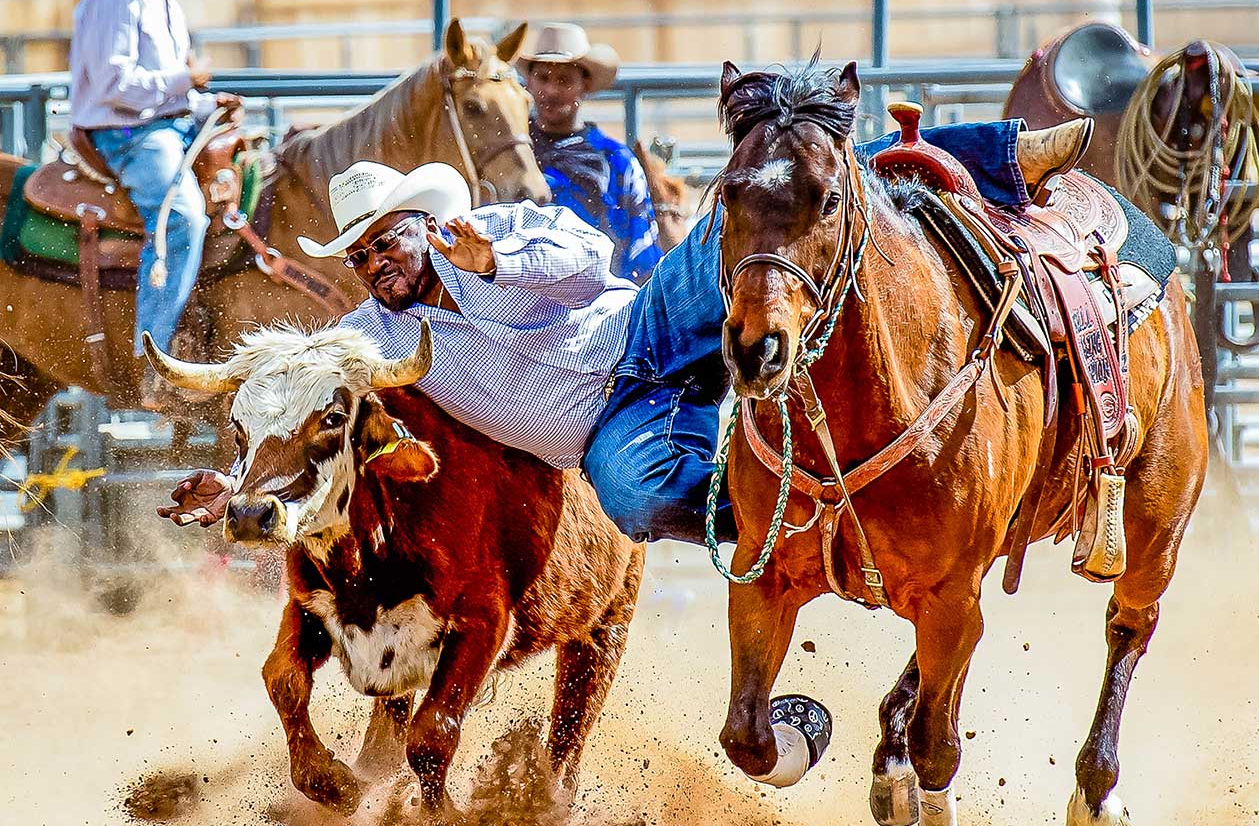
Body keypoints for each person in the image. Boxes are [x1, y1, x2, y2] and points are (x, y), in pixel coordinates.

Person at [159, 105, 1090, 538]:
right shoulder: (375, 337)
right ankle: (789, 536)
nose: (376, 264)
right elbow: (300, 387)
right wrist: (240, 480)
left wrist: (495, 259)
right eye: (360, 258)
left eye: (385, 244)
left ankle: (999, 156)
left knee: (759, 198)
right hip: (611, 425)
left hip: (642, 325)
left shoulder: (482, 232)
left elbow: (591, 260)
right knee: (635, 498)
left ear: (418, 226)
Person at [70, 0, 242, 406]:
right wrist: (184, 83)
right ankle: (156, 359)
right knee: (185, 216)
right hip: (125, 134)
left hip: (162, 123)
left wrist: (206, 104)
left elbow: (163, 88)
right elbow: (112, 84)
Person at [520, 23, 664, 285]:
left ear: (584, 85)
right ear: (528, 82)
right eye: (543, 77)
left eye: (563, 80)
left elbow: (641, 253)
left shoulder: (616, 161)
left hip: (598, 299)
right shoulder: (510, 156)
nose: (551, 91)